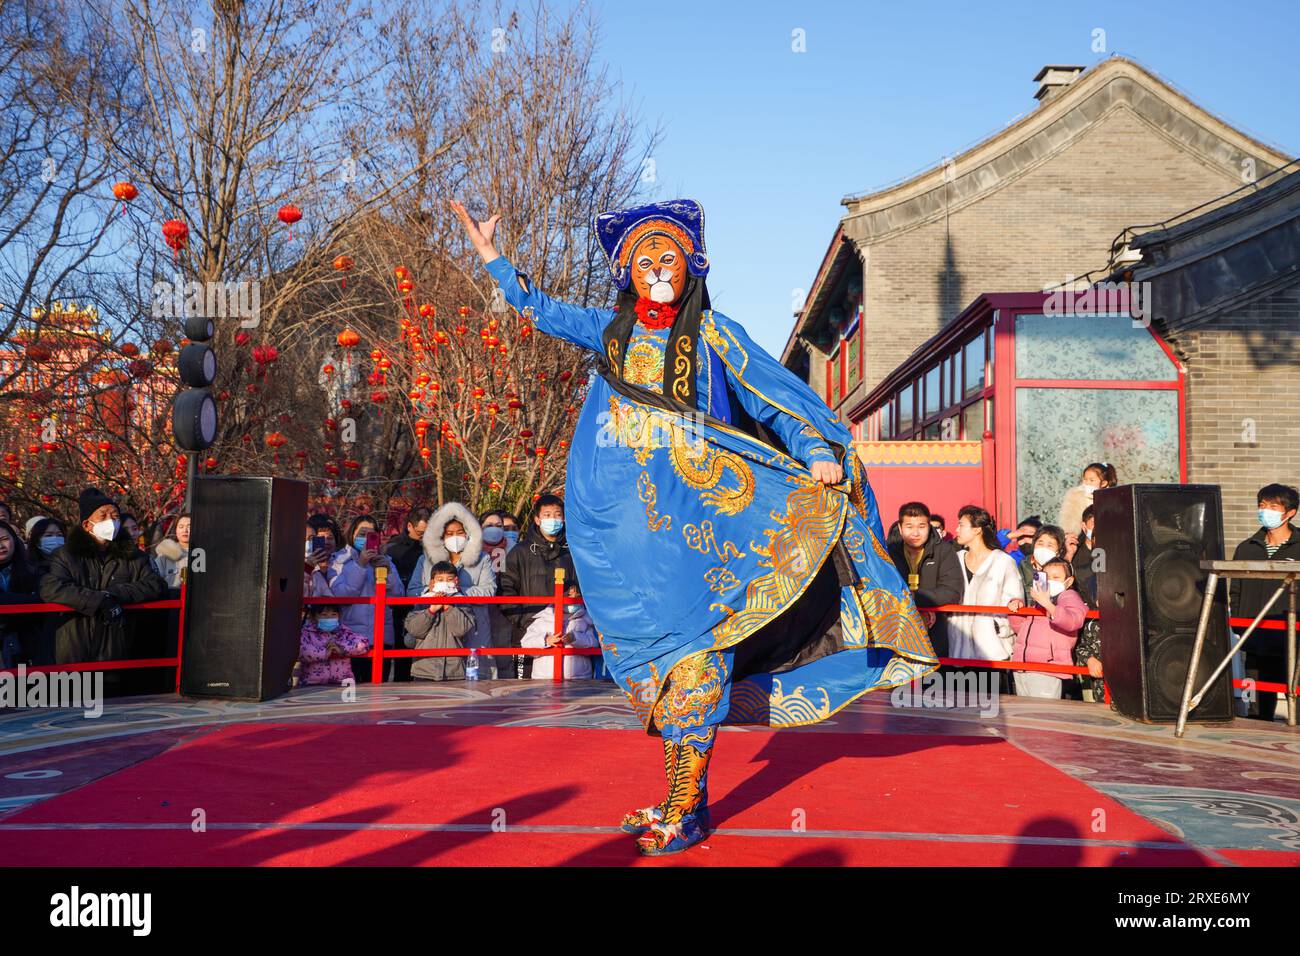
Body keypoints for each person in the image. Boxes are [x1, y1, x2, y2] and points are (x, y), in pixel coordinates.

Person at [455, 196, 936, 856]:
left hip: (706, 531)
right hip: (633, 540)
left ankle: (686, 807)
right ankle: (689, 797)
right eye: (644, 259)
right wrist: (492, 257)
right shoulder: (610, 333)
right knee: (663, 662)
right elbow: (540, 309)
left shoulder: (716, 336)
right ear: (627, 273)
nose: (657, 268)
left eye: (668, 257)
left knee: (697, 656)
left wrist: (816, 450)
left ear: (693, 268)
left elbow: (776, 397)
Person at [39, 488, 166, 688]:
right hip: (74, 643)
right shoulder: (64, 555)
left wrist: (114, 594)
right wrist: (97, 600)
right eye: (103, 516)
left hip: (115, 645)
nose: (111, 521)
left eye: (114, 515)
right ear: (87, 524)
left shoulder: (133, 555)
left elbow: (155, 584)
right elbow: (52, 587)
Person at [1230, 483, 1300, 721]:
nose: (1265, 510)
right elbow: (1236, 589)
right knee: (1258, 709)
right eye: (1262, 505)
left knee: (1295, 704)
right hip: (1255, 637)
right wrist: (1239, 625)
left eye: (1272, 506)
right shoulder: (1246, 548)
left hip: (1293, 638)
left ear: (1290, 512)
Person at [409, 502, 498, 672]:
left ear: (469, 534)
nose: (455, 537)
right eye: (449, 534)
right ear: (441, 536)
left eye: (460, 533)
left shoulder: (483, 559)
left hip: (475, 628)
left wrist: (458, 591)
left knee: (479, 679)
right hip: (437, 631)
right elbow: (412, 591)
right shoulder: (425, 560)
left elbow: (489, 590)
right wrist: (432, 591)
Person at [499, 494, 576, 680]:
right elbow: (506, 589)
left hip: (565, 632)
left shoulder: (572, 551)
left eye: (557, 515)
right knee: (524, 689)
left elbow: (582, 587)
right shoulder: (520, 551)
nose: (553, 519)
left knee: (568, 684)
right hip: (528, 632)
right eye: (547, 515)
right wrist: (524, 622)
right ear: (537, 519)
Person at [326, 513, 405, 683]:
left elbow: (398, 595)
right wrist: (360, 565)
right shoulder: (339, 560)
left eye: (371, 534)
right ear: (352, 534)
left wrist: (387, 572)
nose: (366, 538)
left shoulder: (386, 561)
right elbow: (341, 594)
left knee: (377, 691)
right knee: (352, 691)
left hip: (380, 636)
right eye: (362, 533)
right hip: (350, 638)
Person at [947, 505, 1023, 665]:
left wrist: (998, 627)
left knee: (993, 690)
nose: (956, 529)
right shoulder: (955, 559)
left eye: (961, 524)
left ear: (977, 530)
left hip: (993, 652)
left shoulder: (1003, 561)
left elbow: (1015, 599)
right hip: (957, 651)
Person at [887, 501, 963, 657]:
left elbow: (952, 592)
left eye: (921, 527)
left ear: (929, 527)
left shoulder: (944, 551)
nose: (916, 533)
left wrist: (915, 597)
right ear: (900, 529)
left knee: (935, 680)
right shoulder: (889, 553)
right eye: (909, 527)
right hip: (895, 635)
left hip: (935, 635)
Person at [1007, 557, 1087, 699]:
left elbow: (1074, 620)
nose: (1050, 581)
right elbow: (1020, 629)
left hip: (1047, 668)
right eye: (1047, 576)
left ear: (1068, 581)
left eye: (1056, 577)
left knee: (1044, 716)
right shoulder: (1038, 601)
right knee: (1024, 716)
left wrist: (1048, 605)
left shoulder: (1069, 595)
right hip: (1022, 666)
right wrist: (1015, 609)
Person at [404, 561, 477, 681]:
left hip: (454, 669)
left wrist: (448, 607)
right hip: (424, 668)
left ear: (456, 581)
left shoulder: (462, 602)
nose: (445, 583)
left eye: (449, 579)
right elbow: (415, 630)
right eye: (440, 579)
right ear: (432, 582)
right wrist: (431, 610)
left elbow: (461, 629)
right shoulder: (423, 601)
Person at [384, 506, 431, 682]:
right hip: (399, 609)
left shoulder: (434, 550)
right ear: (410, 526)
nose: (425, 537)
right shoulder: (394, 549)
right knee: (401, 656)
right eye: (421, 533)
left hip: (426, 608)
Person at [521, 581, 599, 679]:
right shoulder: (543, 618)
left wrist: (576, 638)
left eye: (577, 595)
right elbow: (525, 643)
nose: (573, 598)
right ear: (561, 595)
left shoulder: (586, 620)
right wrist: (545, 640)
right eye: (569, 594)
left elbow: (594, 643)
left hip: (578, 680)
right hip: (544, 679)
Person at [479, 509, 517, 677]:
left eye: (498, 525)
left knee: (503, 654)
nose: (493, 528)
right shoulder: (471, 548)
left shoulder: (514, 548)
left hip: (504, 608)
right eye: (489, 525)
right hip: (478, 607)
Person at [23, 517, 66, 664]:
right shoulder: (26, 568)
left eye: (59, 535)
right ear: (36, 540)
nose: (55, 539)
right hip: (38, 635)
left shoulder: (73, 565)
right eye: (48, 536)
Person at [0, 523, 41, 668]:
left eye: (5, 538)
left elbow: (40, 603)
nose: (1, 545)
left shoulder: (33, 570)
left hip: (28, 647)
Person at [299, 604, 370, 687]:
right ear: (314, 617)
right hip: (312, 682)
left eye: (334, 615)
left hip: (342, 681)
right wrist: (324, 652)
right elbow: (302, 650)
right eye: (324, 615)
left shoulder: (344, 631)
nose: (329, 618)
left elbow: (363, 643)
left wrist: (342, 649)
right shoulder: (306, 632)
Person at [1058, 461, 1118, 537]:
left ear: (1103, 483)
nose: (1087, 483)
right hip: (1081, 537)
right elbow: (1068, 520)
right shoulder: (1075, 495)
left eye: (1091, 480)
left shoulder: (1111, 498)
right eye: (1085, 479)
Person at [1018, 524, 1068, 601]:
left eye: (1050, 545)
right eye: (1040, 544)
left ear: (1059, 551)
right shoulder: (1023, 566)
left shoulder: (1062, 569)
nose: (1044, 548)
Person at [151, 514, 190, 589]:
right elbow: (154, 578)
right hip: (171, 598)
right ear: (176, 530)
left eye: (189, 526)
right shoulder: (166, 551)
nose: (185, 530)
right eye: (181, 527)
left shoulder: (202, 553)